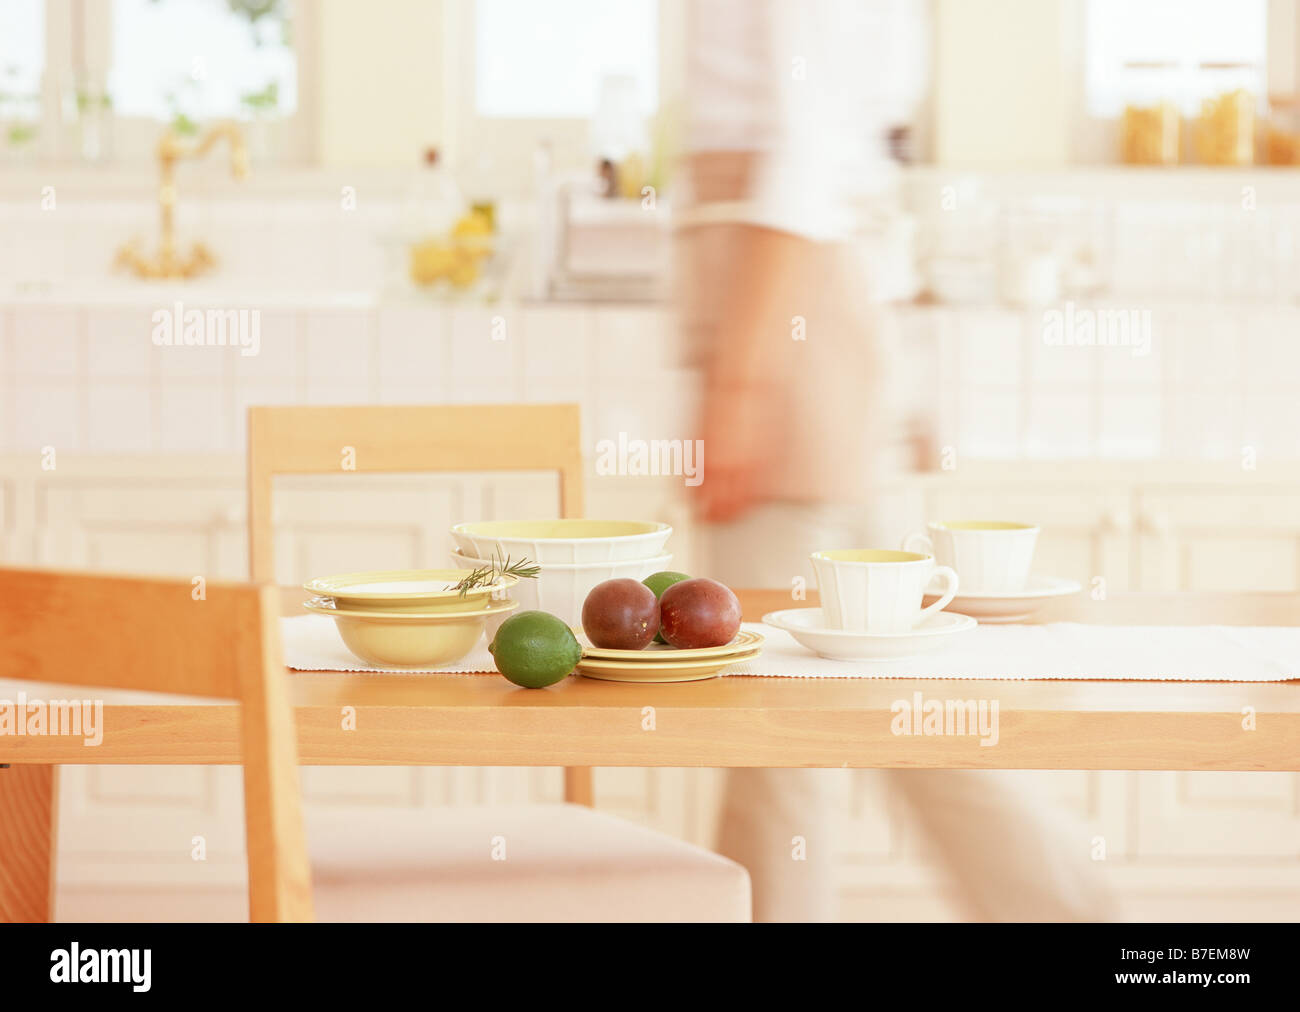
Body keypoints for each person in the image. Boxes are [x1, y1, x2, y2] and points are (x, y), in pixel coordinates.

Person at [677, 0, 1119, 922]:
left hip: (782, 316)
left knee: (779, 716)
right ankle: (1078, 917)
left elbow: (801, 164)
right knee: (885, 699)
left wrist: (742, 385)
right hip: (801, 310)